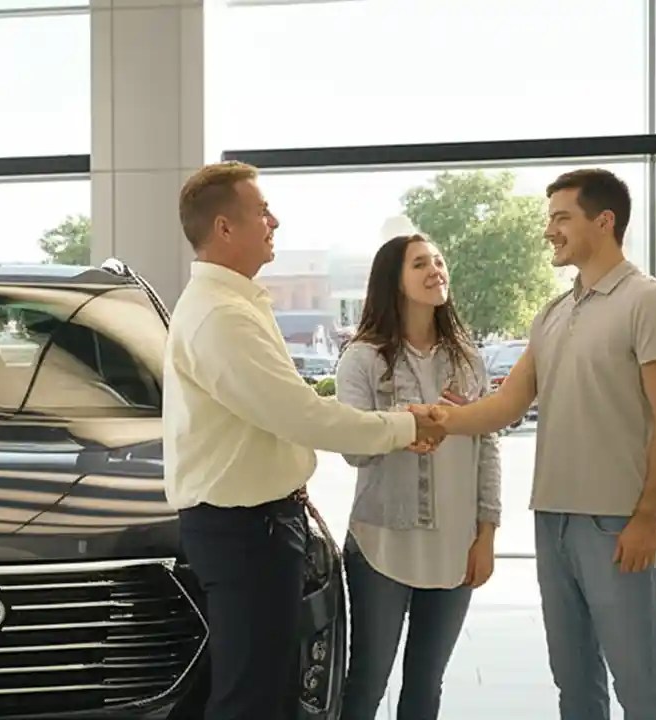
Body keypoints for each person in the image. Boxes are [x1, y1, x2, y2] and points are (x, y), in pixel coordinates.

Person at [164, 161, 446, 720]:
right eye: (261, 210)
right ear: (224, 228)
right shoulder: (221, 317)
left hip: (256, 526)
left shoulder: (237, 305)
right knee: (252, 698)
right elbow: (302, 416)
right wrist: (407, 425)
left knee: (257, 684)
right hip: (246, 531)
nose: (274, 220)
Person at [416, 168, 656, 719]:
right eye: (550, 219)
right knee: (573, 678)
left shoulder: (648, 302)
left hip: (616, 522)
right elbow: (507, 404)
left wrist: (648, 518)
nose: (550, 231)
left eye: (562, 218)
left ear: (604, 220)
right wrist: (442, 419)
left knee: (638, 681)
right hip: (553, 517)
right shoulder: (554, 312)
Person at [334, 233, 501, 720]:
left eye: (439, 261)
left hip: (455, 545)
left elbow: (487, 447)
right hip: (381, 544)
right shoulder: (362, 358)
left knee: (427, 684)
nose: (436, 271)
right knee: (367, 680)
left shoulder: (467, 359)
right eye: (420, 264)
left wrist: (485, 535)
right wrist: (401, 428)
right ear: (394, 280)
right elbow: (351, 451)